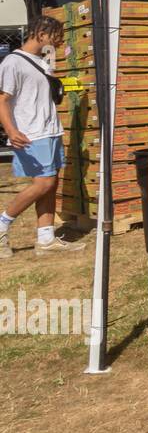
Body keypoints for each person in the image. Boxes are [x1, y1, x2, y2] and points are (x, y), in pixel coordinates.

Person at [0, 15, 84, 258]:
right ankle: (3, 224)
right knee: (43, 183)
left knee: (51, 184)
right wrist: (11, 131)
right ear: (42, 34)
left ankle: (46, 238)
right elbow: (2, 100)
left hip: (50, 130)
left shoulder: (40, 61)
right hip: (30, 133)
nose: (58, 42)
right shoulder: (13, 63)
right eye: (56, 37)